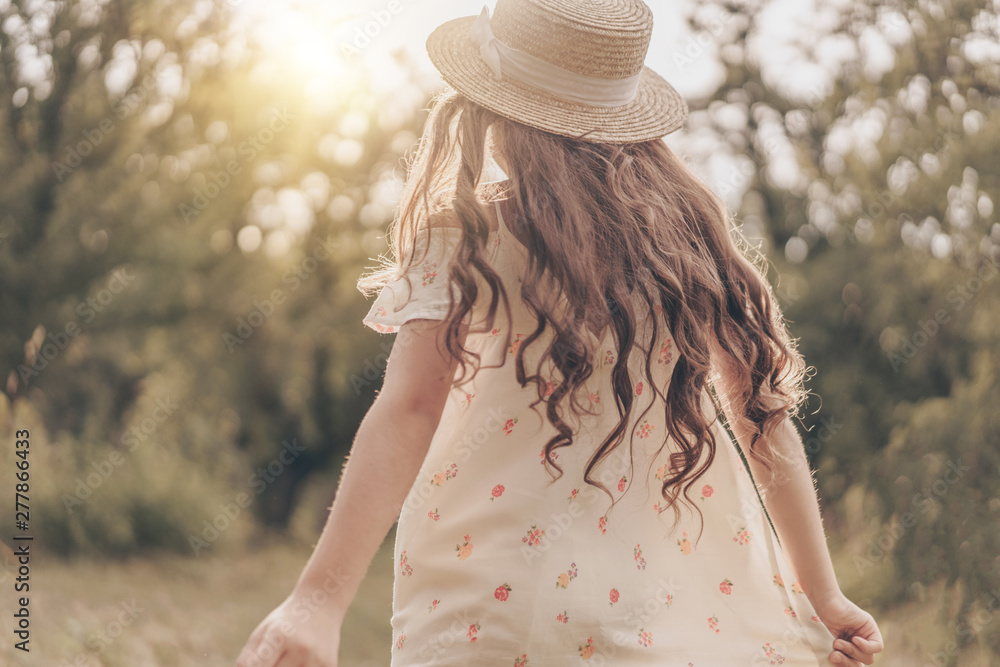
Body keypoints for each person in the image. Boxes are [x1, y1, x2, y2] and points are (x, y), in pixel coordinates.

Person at [236, 0, 885, 665]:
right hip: (646, 615)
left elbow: (408, 409)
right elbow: (762, 419)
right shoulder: (690, 246)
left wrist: (318, 600)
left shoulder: (466, 234)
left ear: (494, 108)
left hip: (485, 599)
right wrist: (824, 595)